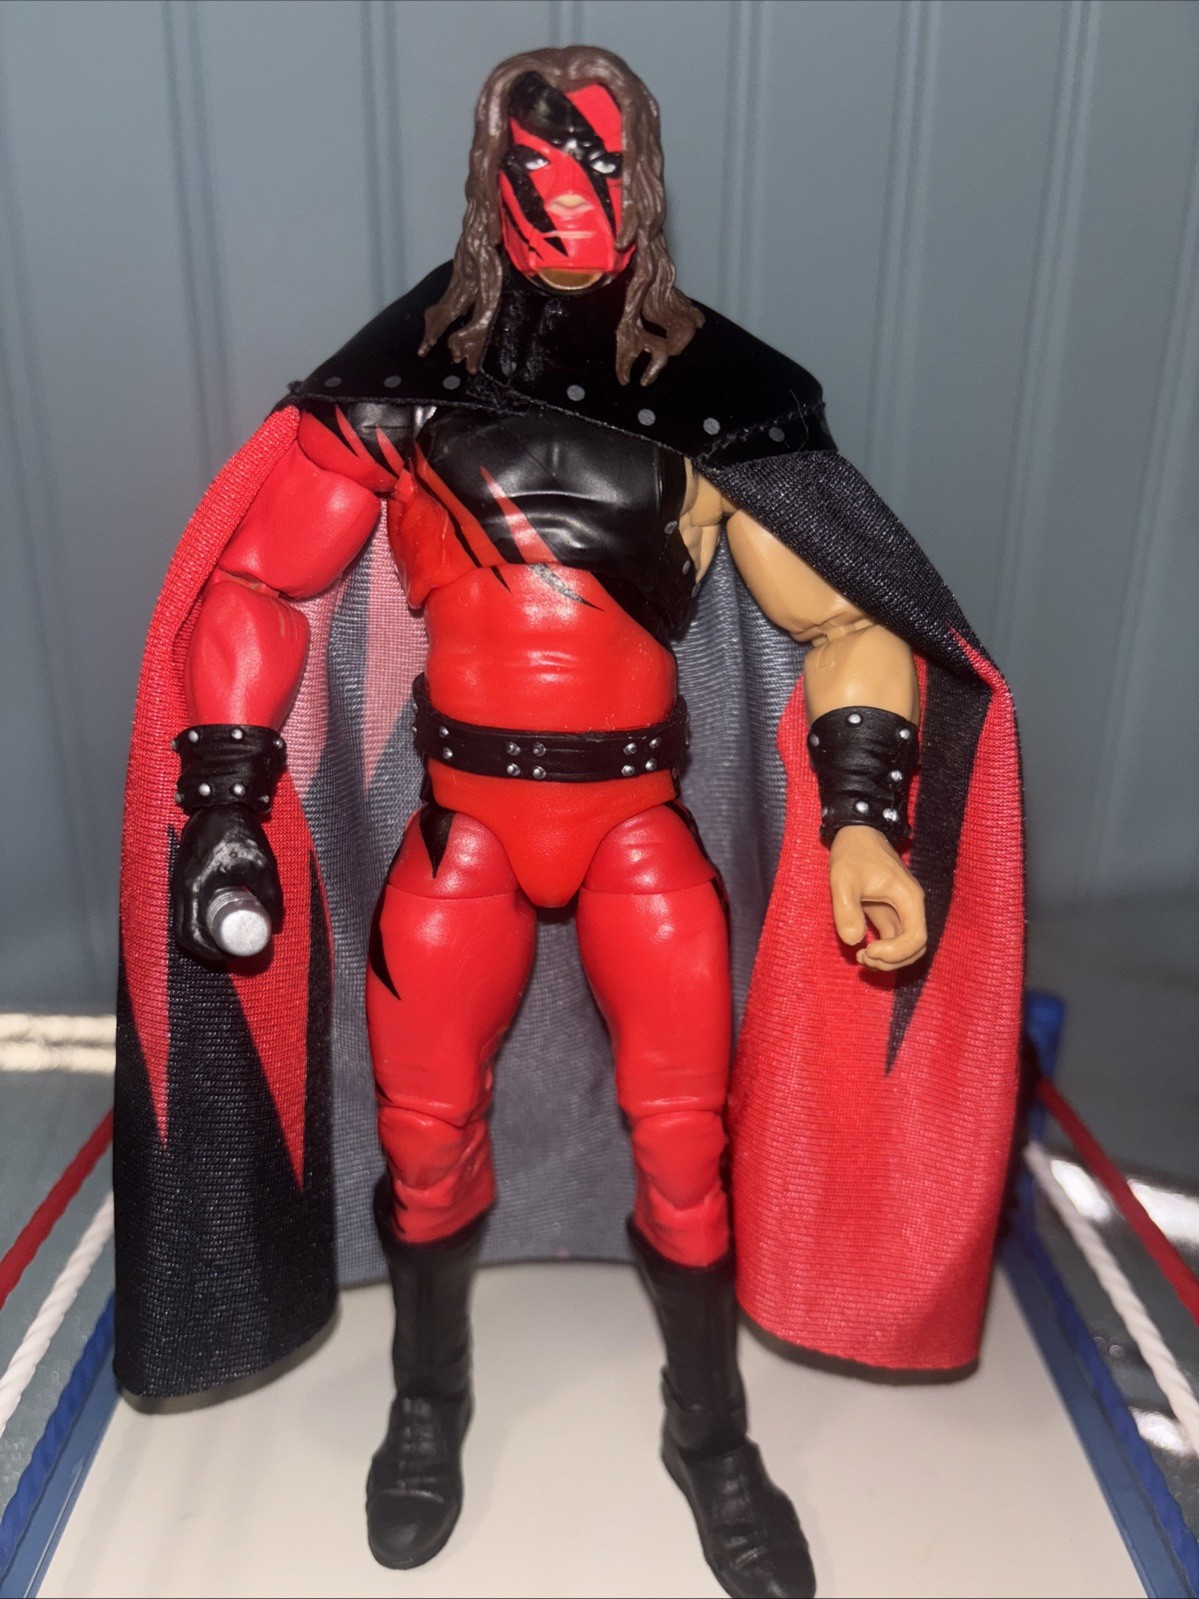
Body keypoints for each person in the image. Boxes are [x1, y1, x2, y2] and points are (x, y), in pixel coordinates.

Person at [114, 45, 1023, 1599]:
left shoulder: (710, 401)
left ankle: (709, 1435)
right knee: (423, 1141)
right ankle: (428, 1402)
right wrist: (227, 802)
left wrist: (865, 824)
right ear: (491, 179)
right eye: (536, 167)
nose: (570, 197)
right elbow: (257, 585)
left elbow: (846, 619)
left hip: (634, 834)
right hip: (460, 832)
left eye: (598, 165)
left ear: (642, 177)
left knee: (689, 1150)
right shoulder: (398, 388)